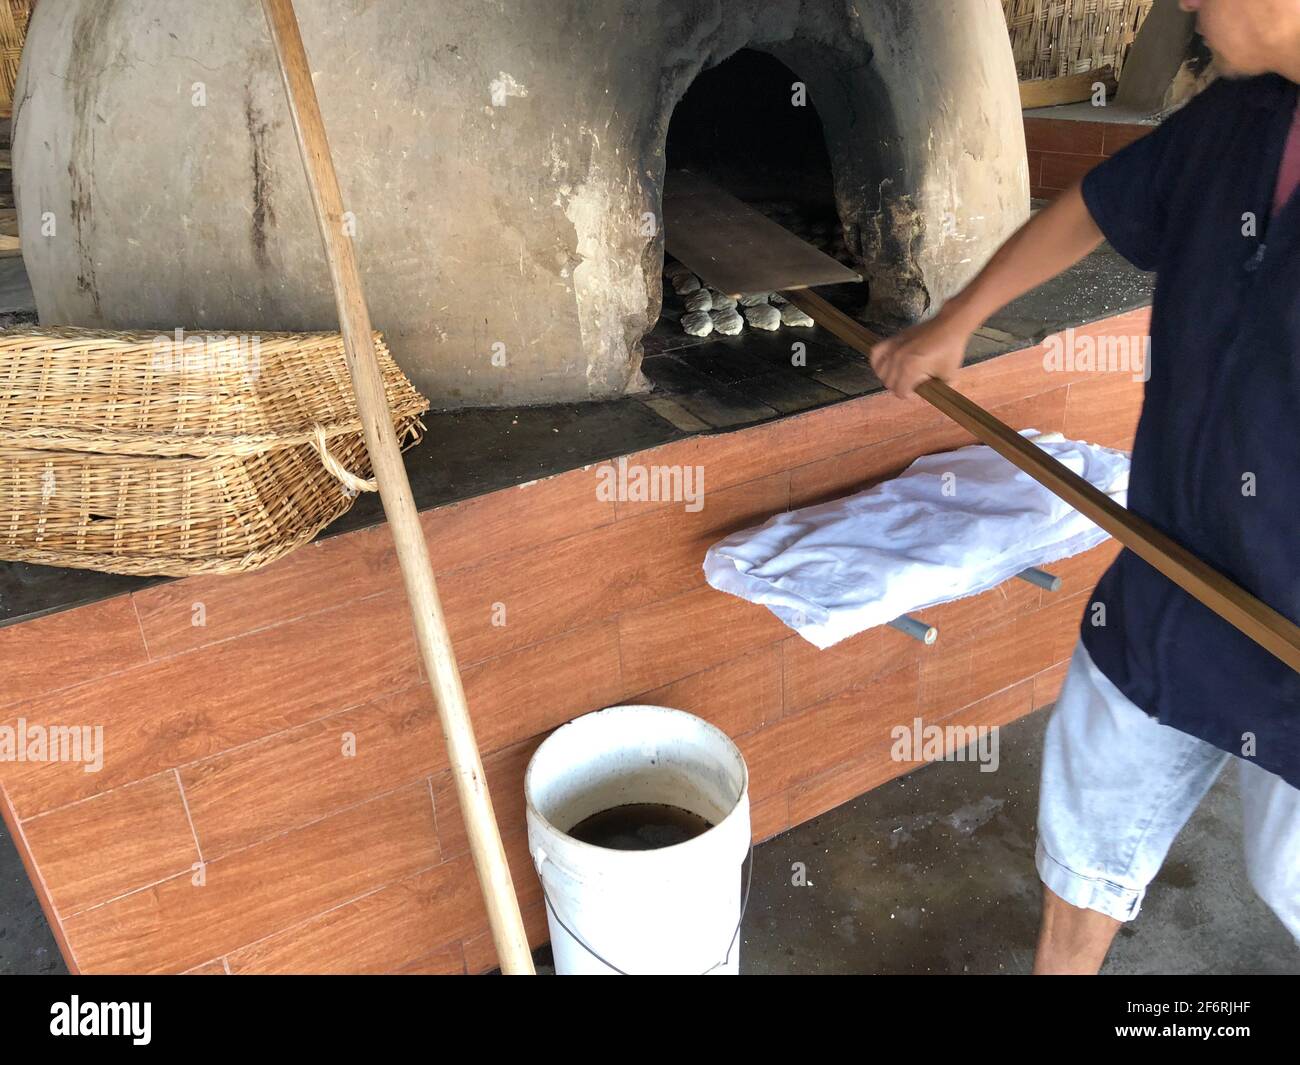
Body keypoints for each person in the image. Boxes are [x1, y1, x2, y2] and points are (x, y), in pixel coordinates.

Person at [869, 0, 1300, 973]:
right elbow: (1099, 202)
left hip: (1292, 620)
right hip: (1171, 577)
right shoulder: (1240, 119)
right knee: (1087, 830)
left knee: (1292, 879)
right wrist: (958, 321)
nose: (1184, 3)